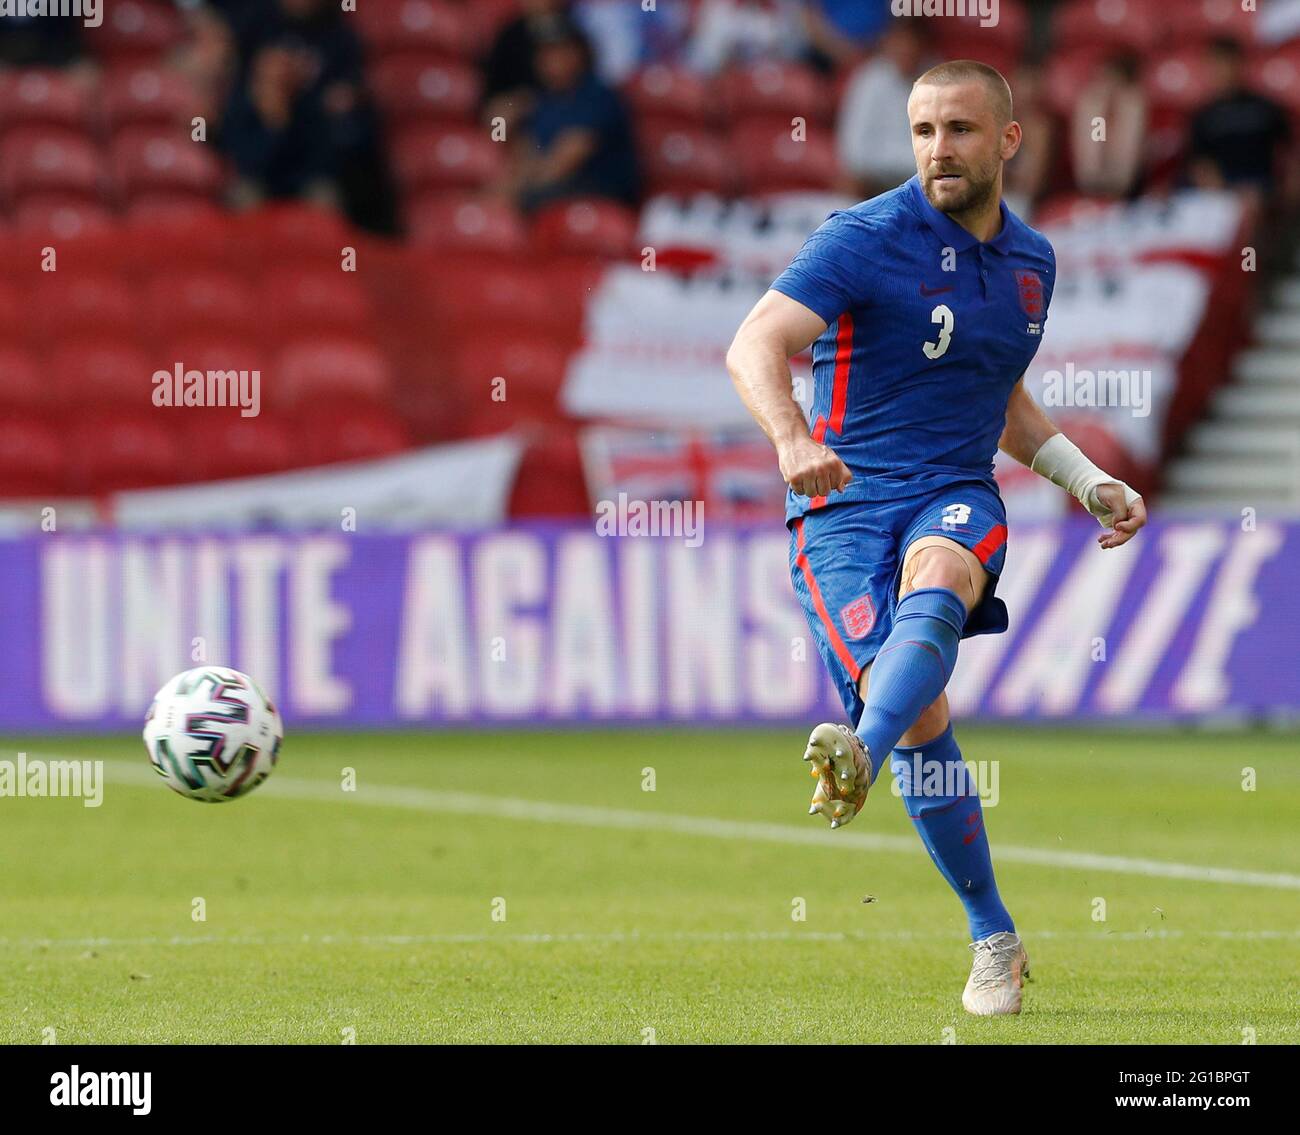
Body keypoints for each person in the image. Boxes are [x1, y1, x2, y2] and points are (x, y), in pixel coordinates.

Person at [726, 60, 1146, 1016]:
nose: (937, 151)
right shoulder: (862, 237)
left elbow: (999, 398)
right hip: (840, 509)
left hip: (955, 491)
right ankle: (993, 931)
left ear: (1007, 139)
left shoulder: (1033, 263)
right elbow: (753, 343)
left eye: (958, 130)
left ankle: (858, 753)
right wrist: (792, 439)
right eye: (922, 131)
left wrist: (1089, 482)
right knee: (922, 714)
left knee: (946, 574)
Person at [494, 18, 639, 213]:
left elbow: (564, 162)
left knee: (527, 203)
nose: (551, 60)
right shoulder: (544, 100)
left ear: (579, 53)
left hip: (601, 197)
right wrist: (503, 190)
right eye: (544, 53)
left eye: (559, 51)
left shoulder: (599, 95)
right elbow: (527, 154)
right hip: (556, 190)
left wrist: (514, 194)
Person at [1186, 36, 1291, 208]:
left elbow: (1288, 154)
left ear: (1239, 64)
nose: (1221, 71)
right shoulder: (1203, 116)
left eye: (1226, 63)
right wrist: (1225, 192)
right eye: (1215, 65)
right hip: (1220, 196)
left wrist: (1281, 191)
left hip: (1262, 193)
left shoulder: (1265, 108)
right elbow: (1200, 166)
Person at [834, 17, 928, 199]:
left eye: (911, 44)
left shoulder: (938, 81)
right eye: (900, 43)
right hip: (876, 179)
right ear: (888, 44)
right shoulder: (869, 80)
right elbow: (853, 149)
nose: (905, 50)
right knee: (849, 182)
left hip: (922, 177)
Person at [1069, 53, 1146, 199]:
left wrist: (1119, 113)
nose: (1108, 88)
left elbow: (1122, 178)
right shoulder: (1093, 107)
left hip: (1130, 193)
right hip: (1092, 190)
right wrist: (1101, 113)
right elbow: (1088, 174)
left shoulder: (1132, 104)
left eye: (1114, 81)